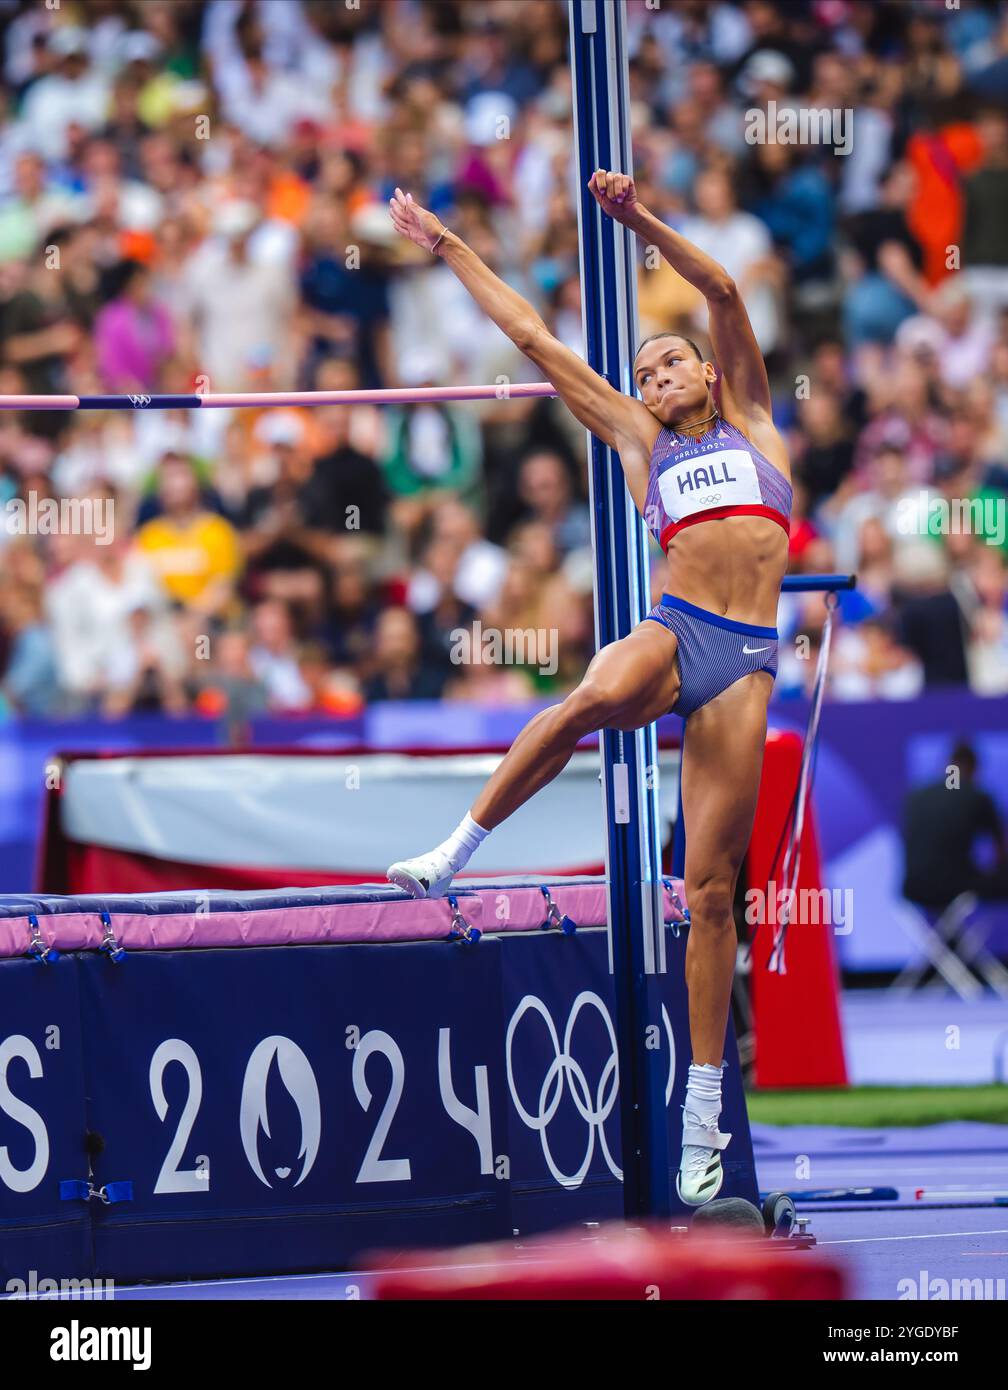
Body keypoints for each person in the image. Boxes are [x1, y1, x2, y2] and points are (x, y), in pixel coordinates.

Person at [385, 170, 793, 1207]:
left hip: (744, 657)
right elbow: (532, 338)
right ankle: (455, 851)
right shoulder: (637, 439)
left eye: (670, 362)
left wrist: (644, 221)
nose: (655, 375)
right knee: (580, 702)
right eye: (645, 370)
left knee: (709, 893)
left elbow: (725, 291)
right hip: (678, 628)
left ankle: (700, 1125)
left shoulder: (752, 418)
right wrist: (445, 246)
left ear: (706, 371)